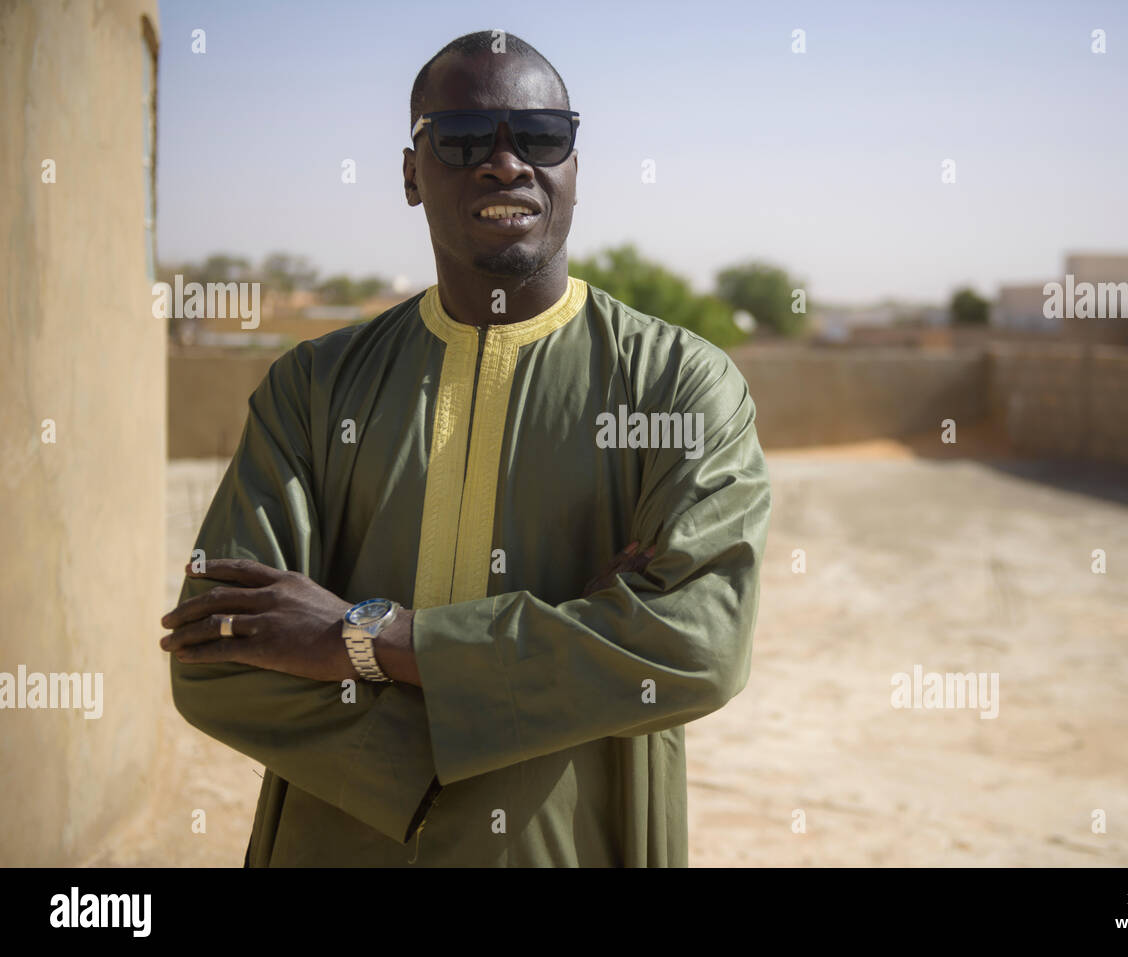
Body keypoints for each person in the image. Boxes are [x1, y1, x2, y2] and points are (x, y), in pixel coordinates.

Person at [160, 30, 770, 867]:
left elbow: (693, 644)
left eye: (542, 136)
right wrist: (561, 663)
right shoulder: (313, 387)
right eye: (462, 139)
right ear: (412, 174)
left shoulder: (675, 387)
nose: (506, 164)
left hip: (574, 842)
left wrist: (361, 637)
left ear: (575, 168)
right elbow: (215, 649)